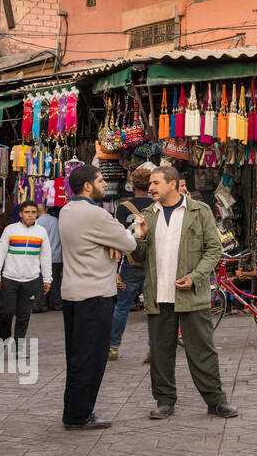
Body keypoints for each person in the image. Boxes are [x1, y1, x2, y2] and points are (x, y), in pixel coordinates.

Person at [132, 165, 237, 419]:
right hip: (159, 296)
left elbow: (213, 249)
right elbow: (138, 258)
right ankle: (164, 400)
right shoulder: (148, 214)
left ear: (172, 184)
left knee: (202, 351)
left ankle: (215, 401)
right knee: (160, 353)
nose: (150, 188)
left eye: (156, 183)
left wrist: (195, 276)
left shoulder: (199, 211)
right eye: (150, 183)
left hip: (191, 295)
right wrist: (141, 237)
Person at [58, 165, 136, 431]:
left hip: (72, 294)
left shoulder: (67, 210)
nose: (105, 185)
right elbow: (130, 243)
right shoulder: (96, 214)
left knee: (77, 355)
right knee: (92, 357)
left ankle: (74, 410)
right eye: (101, 180)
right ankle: (79, 415)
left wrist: (109, 242)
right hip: (94, 295)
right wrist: (133, 232)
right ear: (88, 186)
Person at [0, 200, 51, 352]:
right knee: (7, 312)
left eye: (33, 212)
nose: (30, 215)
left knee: (24, 316)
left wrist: (47, 278)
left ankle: (18, 348)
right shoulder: (10, 230)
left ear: (37, 214)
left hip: (31, 280)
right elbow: (0, 254)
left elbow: (45, 256)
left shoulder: (41, 232)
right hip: (10, 278)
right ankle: (3, 339)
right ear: (21, 214)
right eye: (27, 212)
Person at [110, 166, 154, 362]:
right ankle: (153, 349)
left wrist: (115, 268)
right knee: (153, 308)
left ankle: (112, 347)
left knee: (122, 307)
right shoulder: (157, 206)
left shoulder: (123, 207)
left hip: (130, 262)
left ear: (132, 185)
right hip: (153, 264)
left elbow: (118, 238)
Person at [34, 204, 63, 312]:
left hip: (43, 256)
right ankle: (57, 304)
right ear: (46, 209)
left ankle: (42, 305)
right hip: (57, 256)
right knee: (56, 281)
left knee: (42, 281)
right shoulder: (56, 221)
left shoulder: (37, 223)